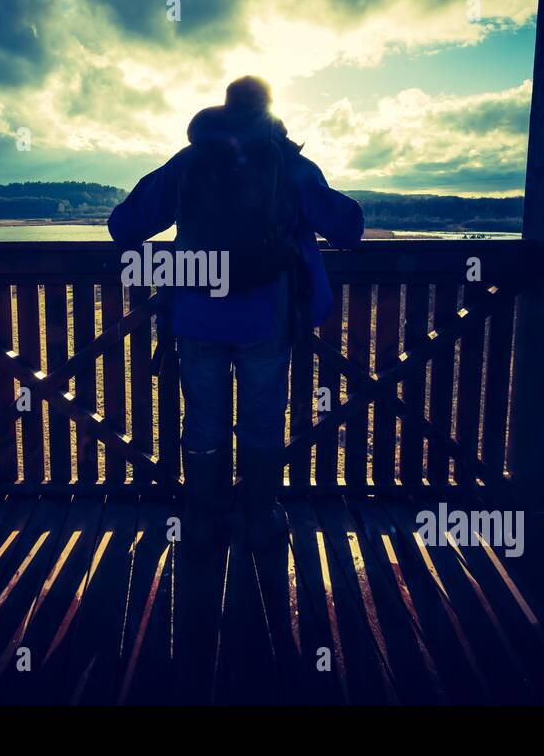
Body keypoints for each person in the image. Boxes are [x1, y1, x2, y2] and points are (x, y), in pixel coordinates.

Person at [108, 76, 364, 548]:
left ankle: (205, 520)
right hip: (266, 319)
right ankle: (260, 518)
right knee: (263, 422)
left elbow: (123, 226)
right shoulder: (289, 164)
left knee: (204, 422)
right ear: (270, 110)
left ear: (222, 109)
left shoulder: (188, 162)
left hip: (197, 318)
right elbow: (348, 228)